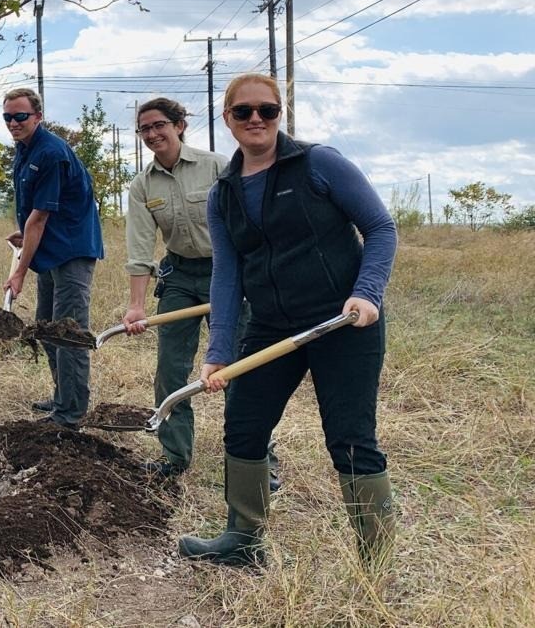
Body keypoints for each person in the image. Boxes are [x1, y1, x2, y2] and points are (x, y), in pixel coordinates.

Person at [179, 73, 398, 570]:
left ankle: (377, 561)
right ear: (227, 118)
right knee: (244, 424)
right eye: (244, 111)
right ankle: (242, 539)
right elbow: (227, 275)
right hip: (271, 325)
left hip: (342, 322)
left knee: (350, 439)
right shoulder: (223, 194)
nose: (256, 119)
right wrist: (219, 351)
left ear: (282, 113)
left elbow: (380, 227)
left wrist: (366, 293)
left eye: (268, 110)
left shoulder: (320, 164)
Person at [122, 97, 233, 478]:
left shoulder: (216, 166)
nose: (152, 134)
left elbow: (247, 223)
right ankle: (174, 457)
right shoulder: (142, 185)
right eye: (145, 129)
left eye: (159, 125)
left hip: (227, 273)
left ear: (179, 126)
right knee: (170, 369)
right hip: (179, 277)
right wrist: (136, 305)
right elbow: (139, 247)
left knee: (237, 367)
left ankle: (255, 458)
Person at [1, 88, 104, 431]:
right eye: (8, 117)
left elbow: (40, 217)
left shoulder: (51, 153)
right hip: (49, 248)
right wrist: (26, 237)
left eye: (20, 116)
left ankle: (70, 415)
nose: (13, 123)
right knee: (45, 328)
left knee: (67, 333)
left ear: (38, 117)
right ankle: (63, 397)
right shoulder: (24, 149)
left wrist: (19, 272)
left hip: (71, 251)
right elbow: (36, 213)